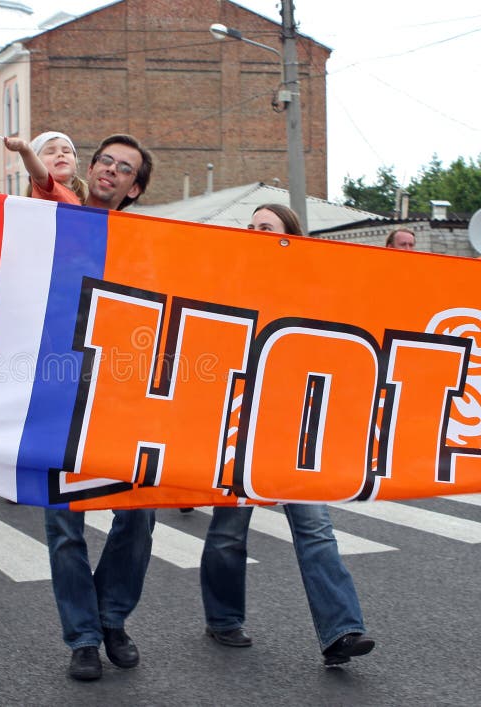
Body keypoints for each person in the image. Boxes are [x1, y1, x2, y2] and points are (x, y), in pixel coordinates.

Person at [0, 134, 156, 682]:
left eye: (123, 168)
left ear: (136, 188)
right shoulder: (60, 213)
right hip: (57, 389)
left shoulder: (151, 242)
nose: (109, 171)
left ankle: (112, 618)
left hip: (122, 393)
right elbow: (15, 224)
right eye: (104, 160)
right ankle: (83, 637)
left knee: (139, 513)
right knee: (65, 523)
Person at [201, 203, 375, 668]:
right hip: (241, 427)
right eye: (252, 227)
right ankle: (222, 618)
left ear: (291, 236)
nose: (257, 232)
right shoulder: (231, 285)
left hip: (297, 429)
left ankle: (342, 630)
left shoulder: (313, 290)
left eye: (267, 226)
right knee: (229, 531)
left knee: (315, 528)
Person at [5, 130, 88, 204]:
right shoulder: (48, 189)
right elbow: (40, 176)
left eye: (66, 151)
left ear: (76, 163)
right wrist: (24, 149)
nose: (60, 154)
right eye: (50, 152)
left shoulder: (81, 197)